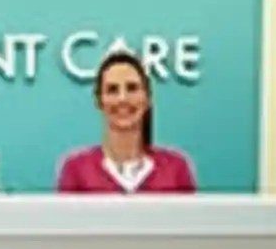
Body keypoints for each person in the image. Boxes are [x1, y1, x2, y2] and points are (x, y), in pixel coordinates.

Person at [56, 51, 197, 194]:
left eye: (132, 88)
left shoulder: (176, 168)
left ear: (147, 98)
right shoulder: (76, 170)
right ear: (99, 101)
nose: (122, 99)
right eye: (112, 90)